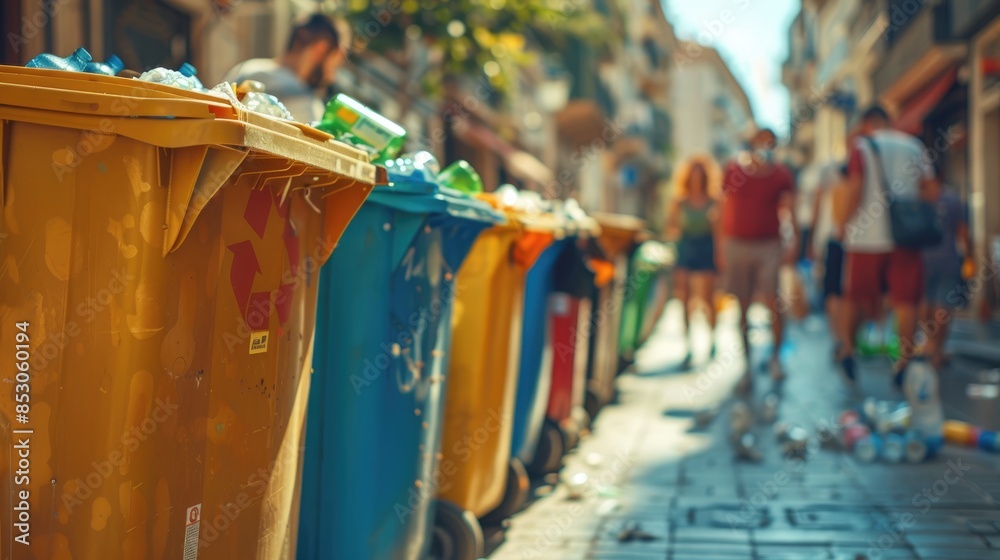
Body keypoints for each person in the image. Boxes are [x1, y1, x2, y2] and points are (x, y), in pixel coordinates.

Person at [837, 105, 935, 388]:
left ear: (866, 123)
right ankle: (903, 361)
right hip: (906, 237)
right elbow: (931, 190)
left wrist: (844, 224)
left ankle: (848, 350)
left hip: (866, 238)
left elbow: (855, 188)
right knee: (906, 302)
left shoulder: (861, 146)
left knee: (854, 298)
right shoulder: (913, 145)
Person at [718, 128, 798, 391]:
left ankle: (775, 358)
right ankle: (746, 365)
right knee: (741, 304)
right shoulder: (734, 170)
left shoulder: (781, 175)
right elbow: (724, 207)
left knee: (773, 301)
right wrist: (721, 246)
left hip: (769, 245)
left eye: (769, 143)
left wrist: (794, 241)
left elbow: (789, 208)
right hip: (738, 244)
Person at [223, 14, 347, 123]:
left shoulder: (246, 68)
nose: (331, 78)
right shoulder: (304, 102)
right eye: (334, 66)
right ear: (321, 49)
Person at [665, 155, 722, 366]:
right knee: (685, 299)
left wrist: (720, 257)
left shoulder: (714, 202)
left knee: (708, 299)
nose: (697, 178)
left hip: (706, 249)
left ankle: (712, 340)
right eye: (693, 174)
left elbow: (719, 233)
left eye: (700, 174)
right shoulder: (679, 202)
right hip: (686, 250)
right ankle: (688, 346)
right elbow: (671, 228)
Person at [920, 162, 971, 369]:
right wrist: (968, 256)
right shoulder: (952, 198)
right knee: (942, 305)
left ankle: (929, 345)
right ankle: (938, 349)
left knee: (927, 303)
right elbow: (962, 231)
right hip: (948, 257)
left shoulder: (920, 198)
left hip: (924, 258)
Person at [807, 161, 848, 359]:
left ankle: (841, 339)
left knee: (835, 291)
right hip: (846, 240)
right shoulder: (833, 170)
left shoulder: (829, 171)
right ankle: (843, 339)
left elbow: (817, 205)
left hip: (836, 239)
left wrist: (812, 239)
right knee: (839, 292)